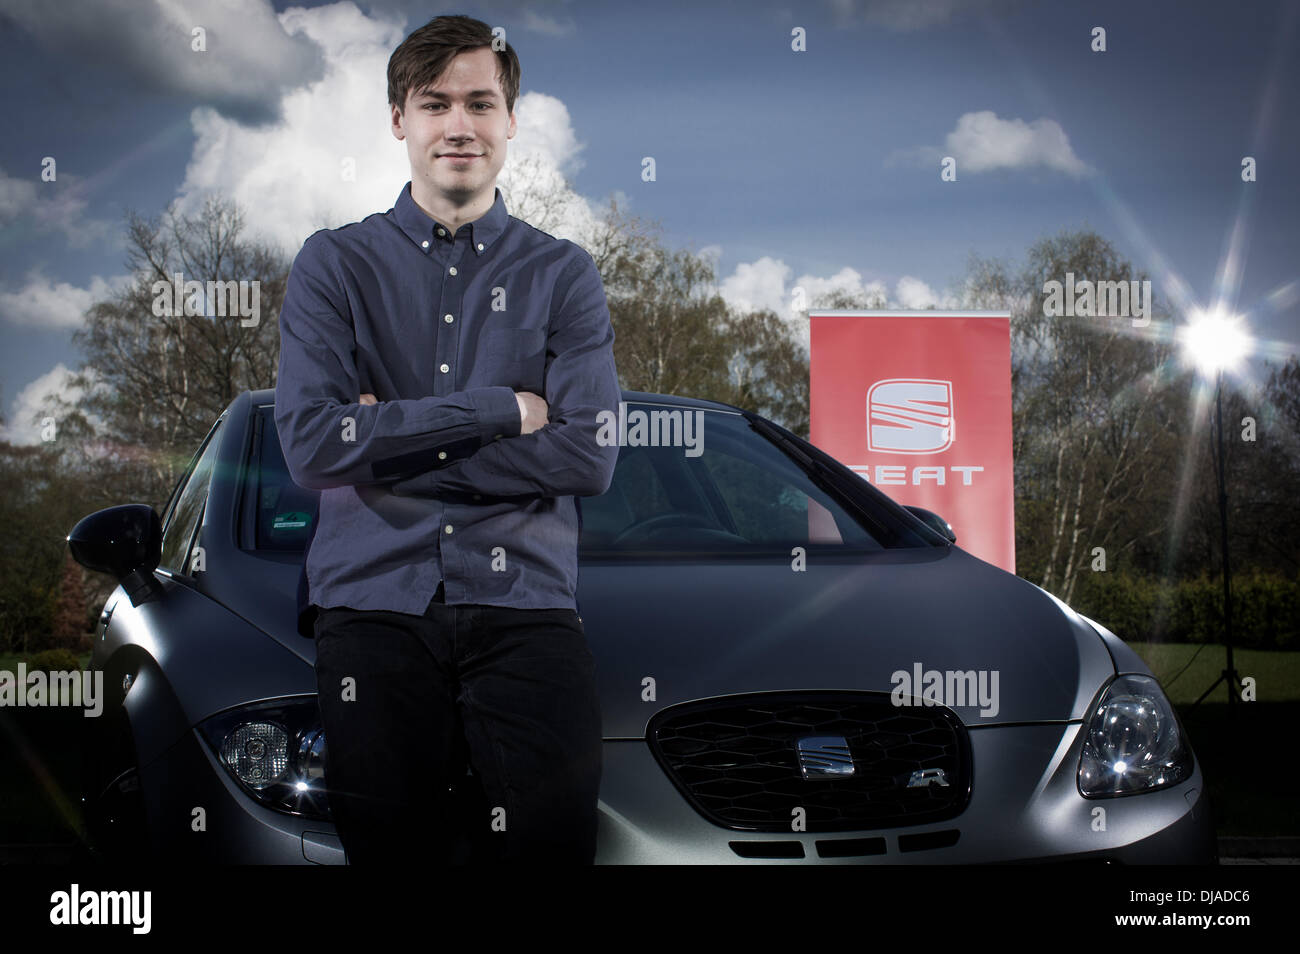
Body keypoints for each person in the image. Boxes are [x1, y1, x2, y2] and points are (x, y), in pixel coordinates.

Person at [274, 13, 620, 865]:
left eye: (480, 102)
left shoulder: (563, 273)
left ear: (510, 120)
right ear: (400, 119)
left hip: (528, 608)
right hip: (372, 608)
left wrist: (386, 442)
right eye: (435, 104)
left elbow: (588, 456)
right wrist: (501, 408)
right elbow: (316, 447)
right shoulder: (334, 264)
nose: (458, 125)